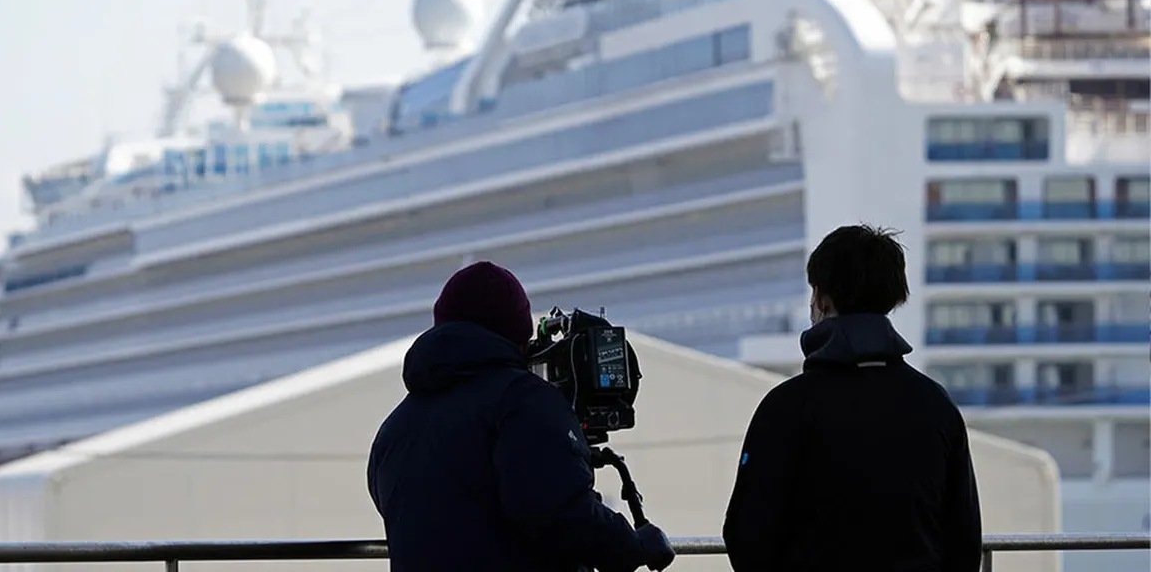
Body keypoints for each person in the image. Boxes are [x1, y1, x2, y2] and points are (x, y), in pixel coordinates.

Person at [367, 260, 676, 572]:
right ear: (516, 334)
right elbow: (561, 512)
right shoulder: (521, 400)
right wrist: (635, 544)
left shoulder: (393, 429)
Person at [722, 224, 983, 572]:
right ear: (894, 298)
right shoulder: (936, 405)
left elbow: (746, 536)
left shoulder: (787, 406)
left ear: (821, 298)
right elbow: (964, 540)